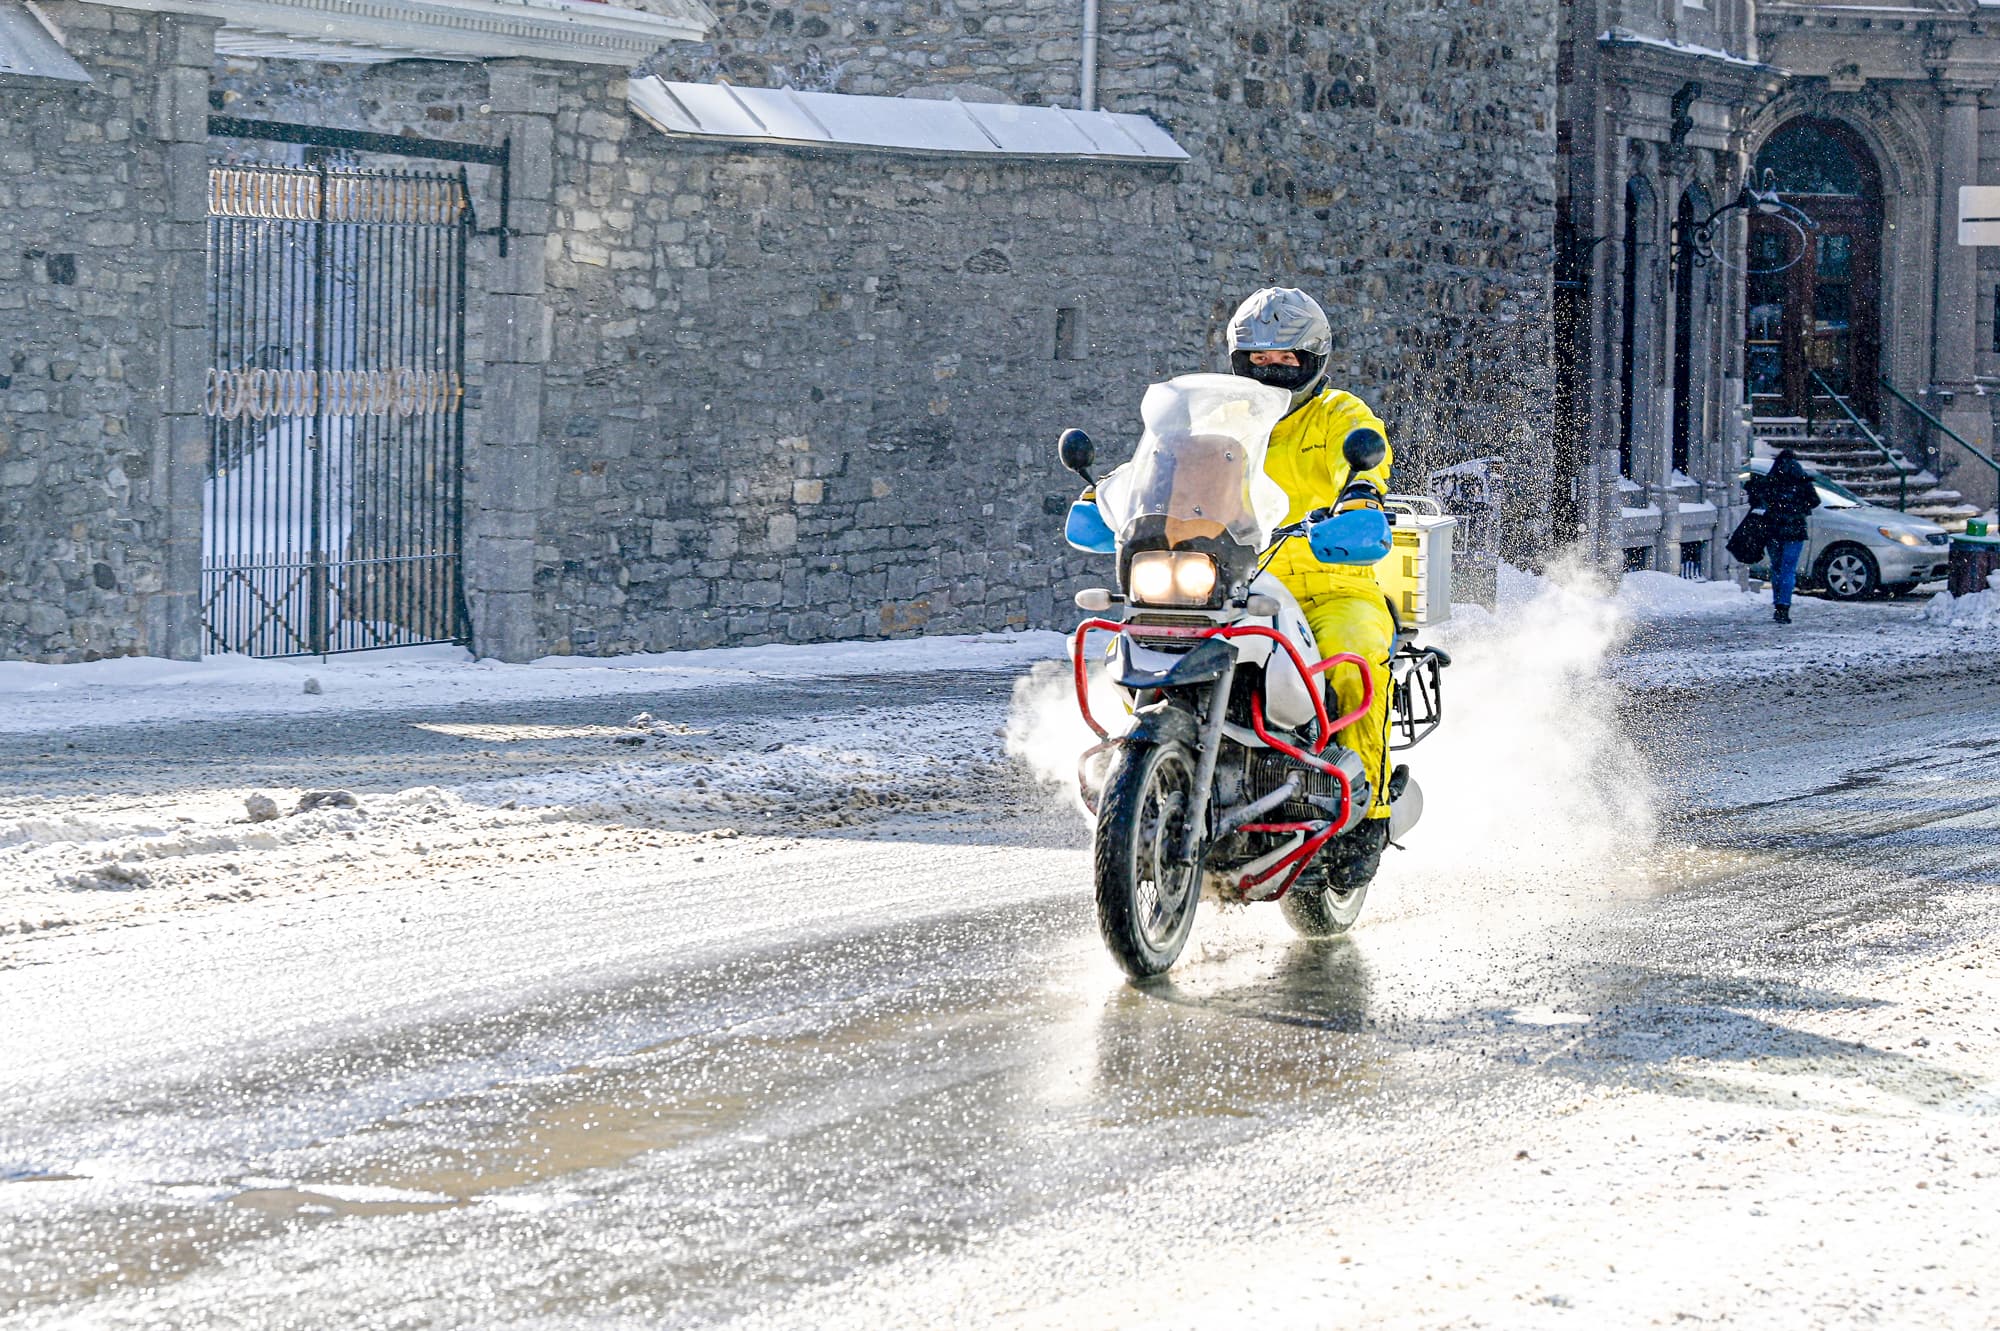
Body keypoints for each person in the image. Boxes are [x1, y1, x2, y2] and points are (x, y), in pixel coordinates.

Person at [1226, 286, 1399, 874]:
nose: (1270, 372)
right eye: (1259, 361)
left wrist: (1359, 495)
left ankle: (1368, 815)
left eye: (1285, 361)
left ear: (1312, 361)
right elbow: (1173, 464)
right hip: (1233, 584)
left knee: (1355, 653)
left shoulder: (1341, 416)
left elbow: (1368, 464)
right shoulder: (1222, 417)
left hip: (1330, 584)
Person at [1745, 449, 1820, 624]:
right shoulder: (1802, 482)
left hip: (1773, 529)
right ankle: (1784, 605)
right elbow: (1815, 501)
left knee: (1777, 568)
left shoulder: (1771, 480)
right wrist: (1800, 508)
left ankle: (1778, 604)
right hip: (1795, 529)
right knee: (1788, 568)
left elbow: (1755, 497)